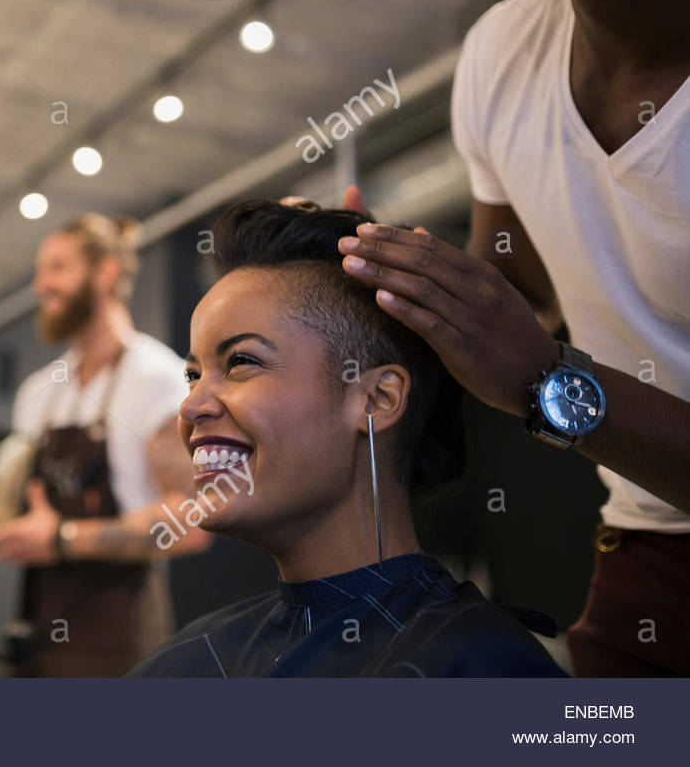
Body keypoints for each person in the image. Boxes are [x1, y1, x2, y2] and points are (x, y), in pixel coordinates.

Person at [330, 0, 690, 675]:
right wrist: (388, 276)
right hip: (649, 558)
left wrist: (543, 381)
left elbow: (528, 356)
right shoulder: (501, 53)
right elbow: (516, 277)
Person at [130, 200, 565, 677]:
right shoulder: (191, 660)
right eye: (193, 375)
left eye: (240, 362)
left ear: (377, 399)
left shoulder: (479, 666)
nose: (191, 407)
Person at [0, 213, 210, 677]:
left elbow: (191, 520)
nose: (41, 284)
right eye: (41, 271)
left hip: (121, 637)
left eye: (58, 267)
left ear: (105, 272)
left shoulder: (157, 379)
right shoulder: (40, 392)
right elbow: (9, 494)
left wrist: (65, 539)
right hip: (40, 630)